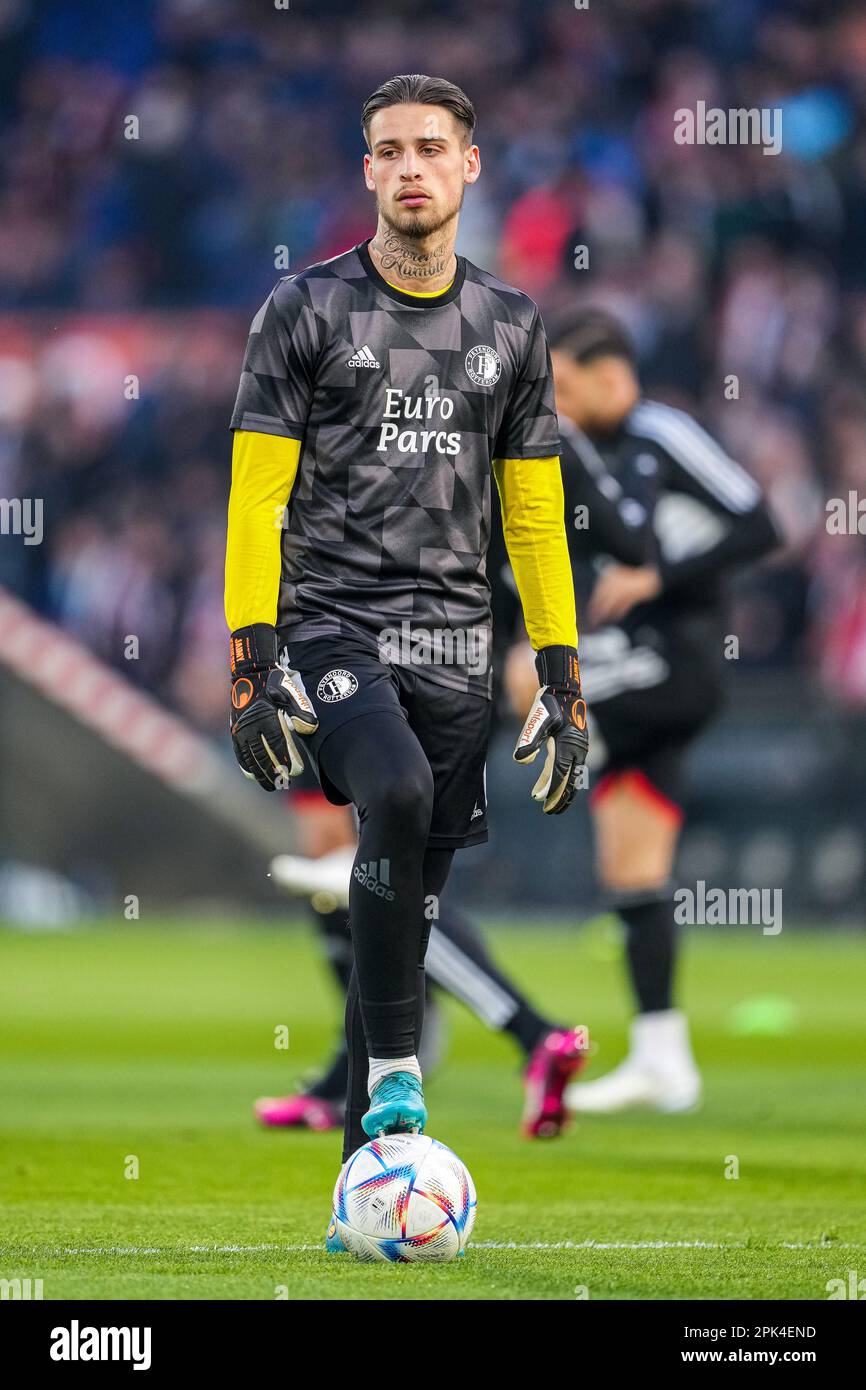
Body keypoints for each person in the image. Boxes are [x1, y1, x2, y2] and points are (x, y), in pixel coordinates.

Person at [223, 74, 589, 1244]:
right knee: (386, 790)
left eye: (433, 147)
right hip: (332, 622)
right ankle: (395, 1076)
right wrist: (251, 658)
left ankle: (358, 1196)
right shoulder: (305, 310)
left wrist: (563, 674)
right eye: (390, 151)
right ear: (367, 171)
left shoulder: (512, 328)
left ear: (469, 166)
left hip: (455, 643)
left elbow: (532, 519)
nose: (412, 168)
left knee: (410, 903)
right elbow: (254, 498)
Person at [506, 308, 780, 1114]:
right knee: (631, 868)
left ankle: (421, 824)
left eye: (563, 379)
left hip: (679, 656)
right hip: (636, 663)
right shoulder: (589, 454)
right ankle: (664, 1055)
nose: (553, 396)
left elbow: (762, 522)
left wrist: (658, 577)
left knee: (530, 686)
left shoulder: (663, 432)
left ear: (608, 375)